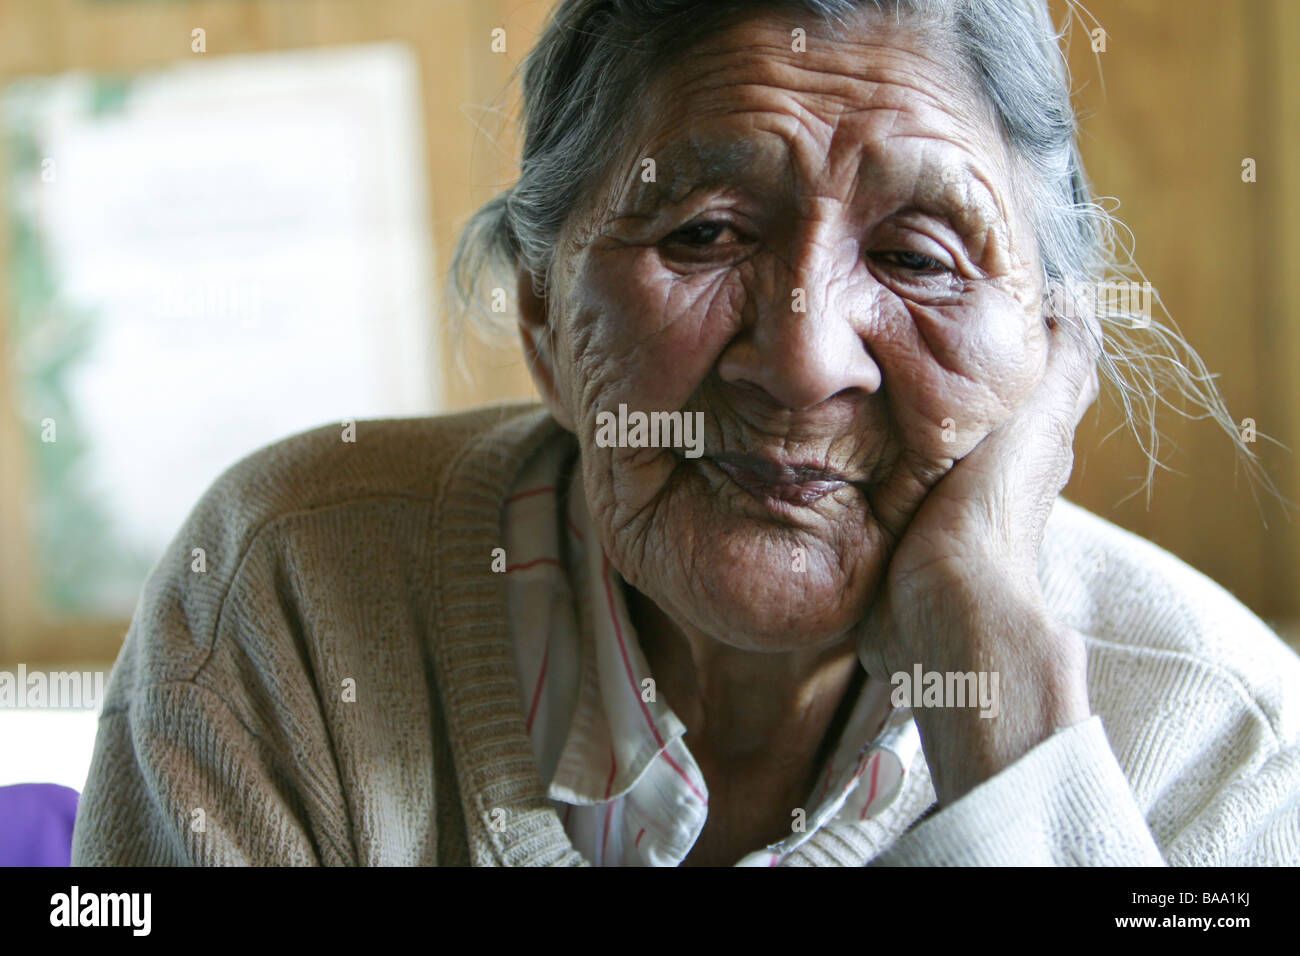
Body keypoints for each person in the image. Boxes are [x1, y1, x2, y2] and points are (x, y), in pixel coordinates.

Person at [73, 0, 1300, 866]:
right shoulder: (290, 599)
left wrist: (1013, 743)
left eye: (917, 256)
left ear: (1045, 355)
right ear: (546, 312)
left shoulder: (1222, 743)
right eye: (704, 234)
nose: (805, 360)